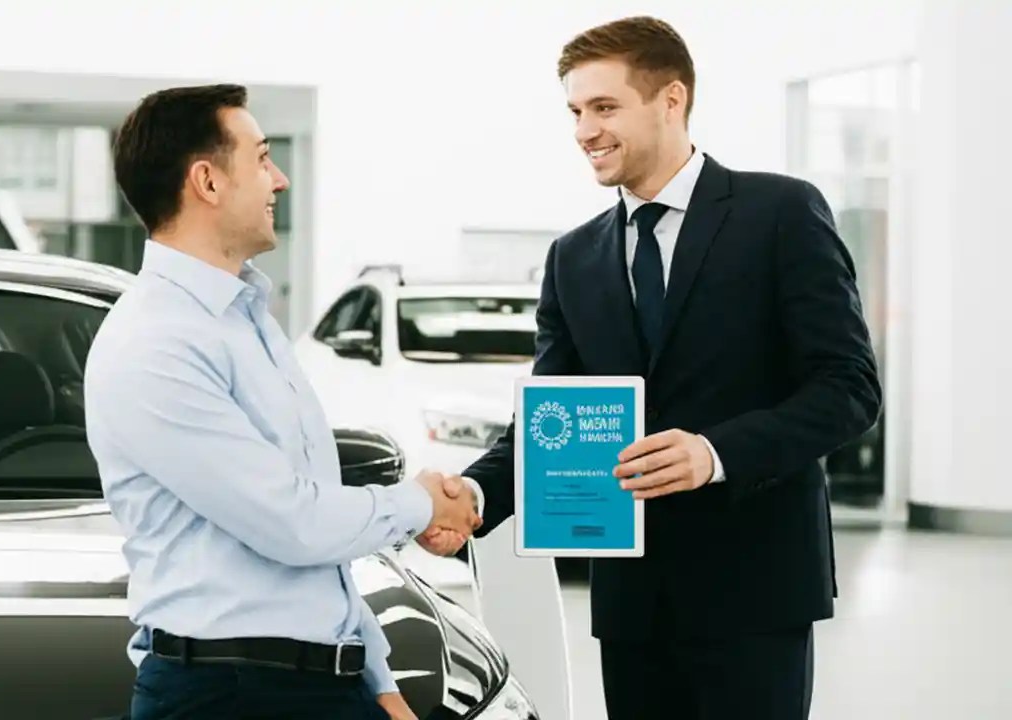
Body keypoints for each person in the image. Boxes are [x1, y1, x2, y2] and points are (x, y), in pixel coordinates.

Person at [420, 16, 882, 720]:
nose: (584, 131)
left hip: (753, 587)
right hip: (632, 598)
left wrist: (715, 452)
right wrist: (475, 499)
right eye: (575, 112)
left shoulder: (780, 213)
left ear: (672, 100)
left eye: (604, 107)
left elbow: (848, 388)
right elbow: (552, 419)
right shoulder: (574, 257)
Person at [84, 84, 481, 720]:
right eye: (263, 157)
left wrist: (376, 679)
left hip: (309, 683)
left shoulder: (244, 319)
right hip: (226, 693)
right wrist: (422, 502)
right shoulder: (154, 340)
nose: (281, 179)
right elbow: (290, 522)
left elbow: (313, 567)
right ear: (207, 182)